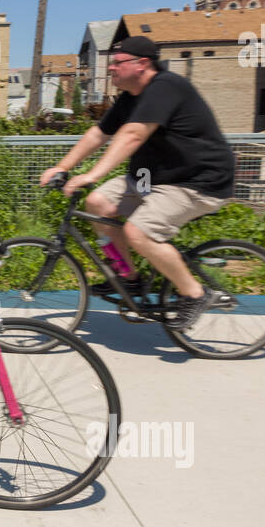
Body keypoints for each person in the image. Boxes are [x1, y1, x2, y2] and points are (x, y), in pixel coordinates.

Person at [38, 36, 235, 329]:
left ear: (142, 64)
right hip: (150, 178)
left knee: (138, 233)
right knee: (97, 203)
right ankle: (128, 277)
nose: (111, 68)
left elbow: (132, 135)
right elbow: (98, 134)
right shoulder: (130, 97)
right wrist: (62, 166)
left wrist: (91, 175)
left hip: (196, 180)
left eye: (118, 63)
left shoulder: (166, 87)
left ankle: (194, 293)